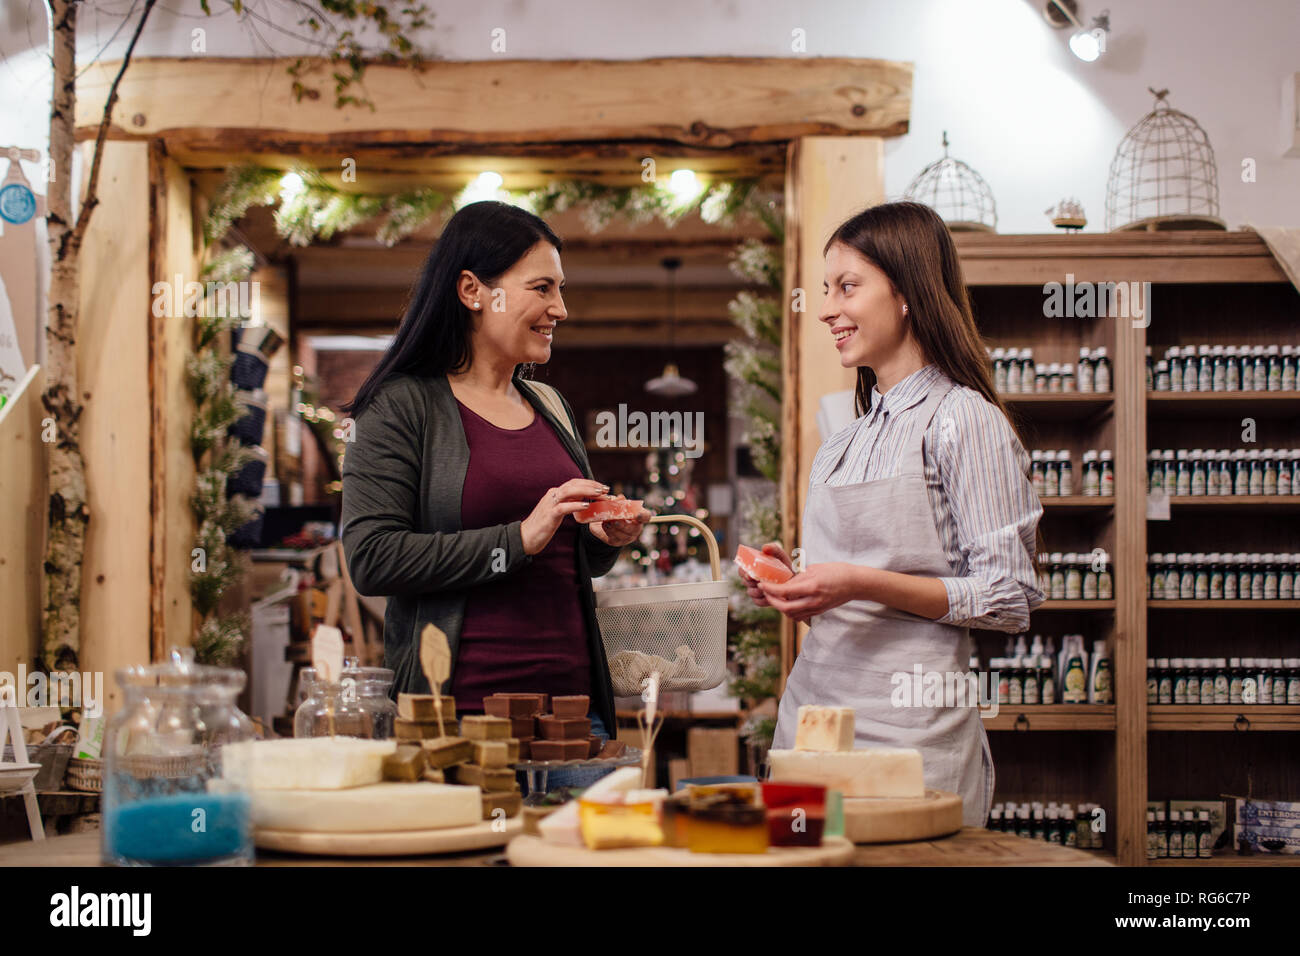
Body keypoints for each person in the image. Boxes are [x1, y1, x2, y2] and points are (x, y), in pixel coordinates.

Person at [740, 201, 1043, 826]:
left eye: (847, 287)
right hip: (812, 723)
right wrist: (795, 575)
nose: (827, 308)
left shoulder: (963, 419)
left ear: (906, 293)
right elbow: (861, 564)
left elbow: (1009, 596)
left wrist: (856, 582)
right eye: (826, 290)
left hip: (911, 736)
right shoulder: (844, 438)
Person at [340, 200, 651, 744]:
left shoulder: (550, 404)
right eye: (542, 288)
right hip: (461, 721)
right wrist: (517, 539)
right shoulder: (400, 406)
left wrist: (601, 539)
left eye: (561, 289)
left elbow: (565, 560)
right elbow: (372, 558)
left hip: (576, 716)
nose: (561, 308)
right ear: (472, 291)